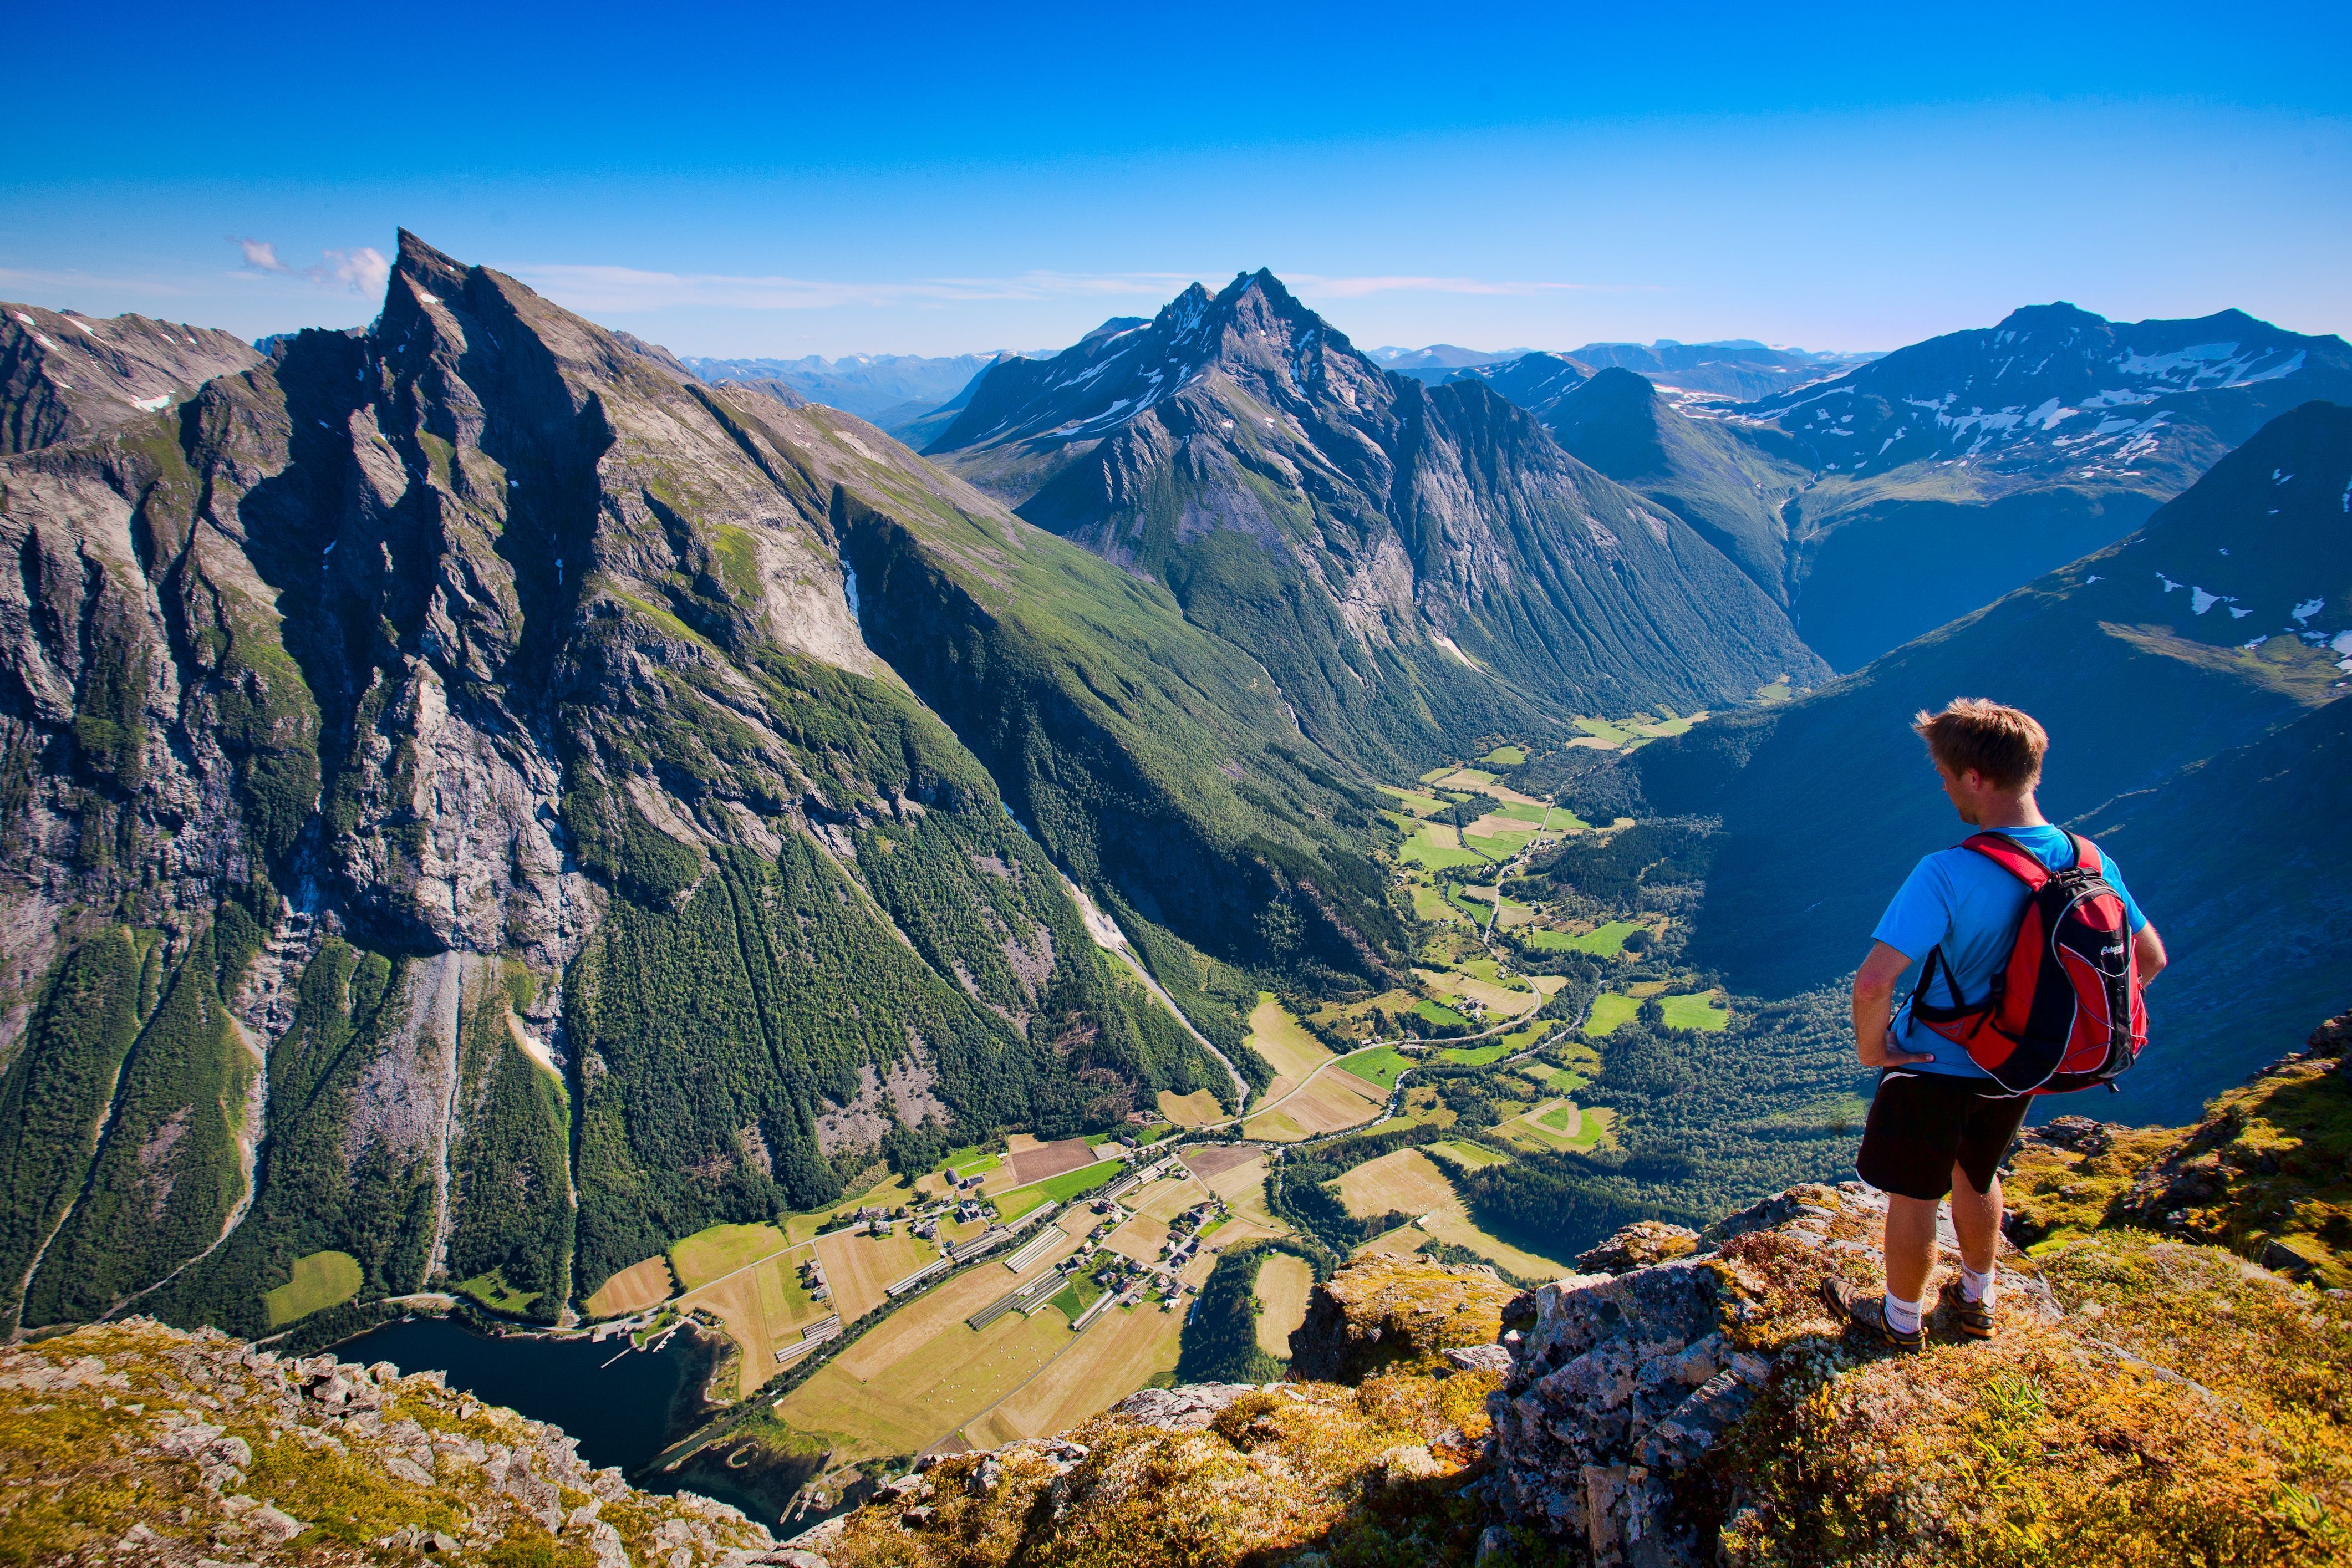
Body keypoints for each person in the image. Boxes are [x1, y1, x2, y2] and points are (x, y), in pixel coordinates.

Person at [1823, 699, 2167, 1352]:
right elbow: (2149, 959)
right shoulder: (2090, 859)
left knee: (1914, 1191)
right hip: (2016, 1065)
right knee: (1977, 1172)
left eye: (1948, 774)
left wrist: (1876, 1049)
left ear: (1976, 777)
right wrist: (2046, 1026)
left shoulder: (1949, 871)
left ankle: (1898, 1321)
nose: (1944, 784)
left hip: (1935, 1062)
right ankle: (1977, 1298)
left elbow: (1874, 981)